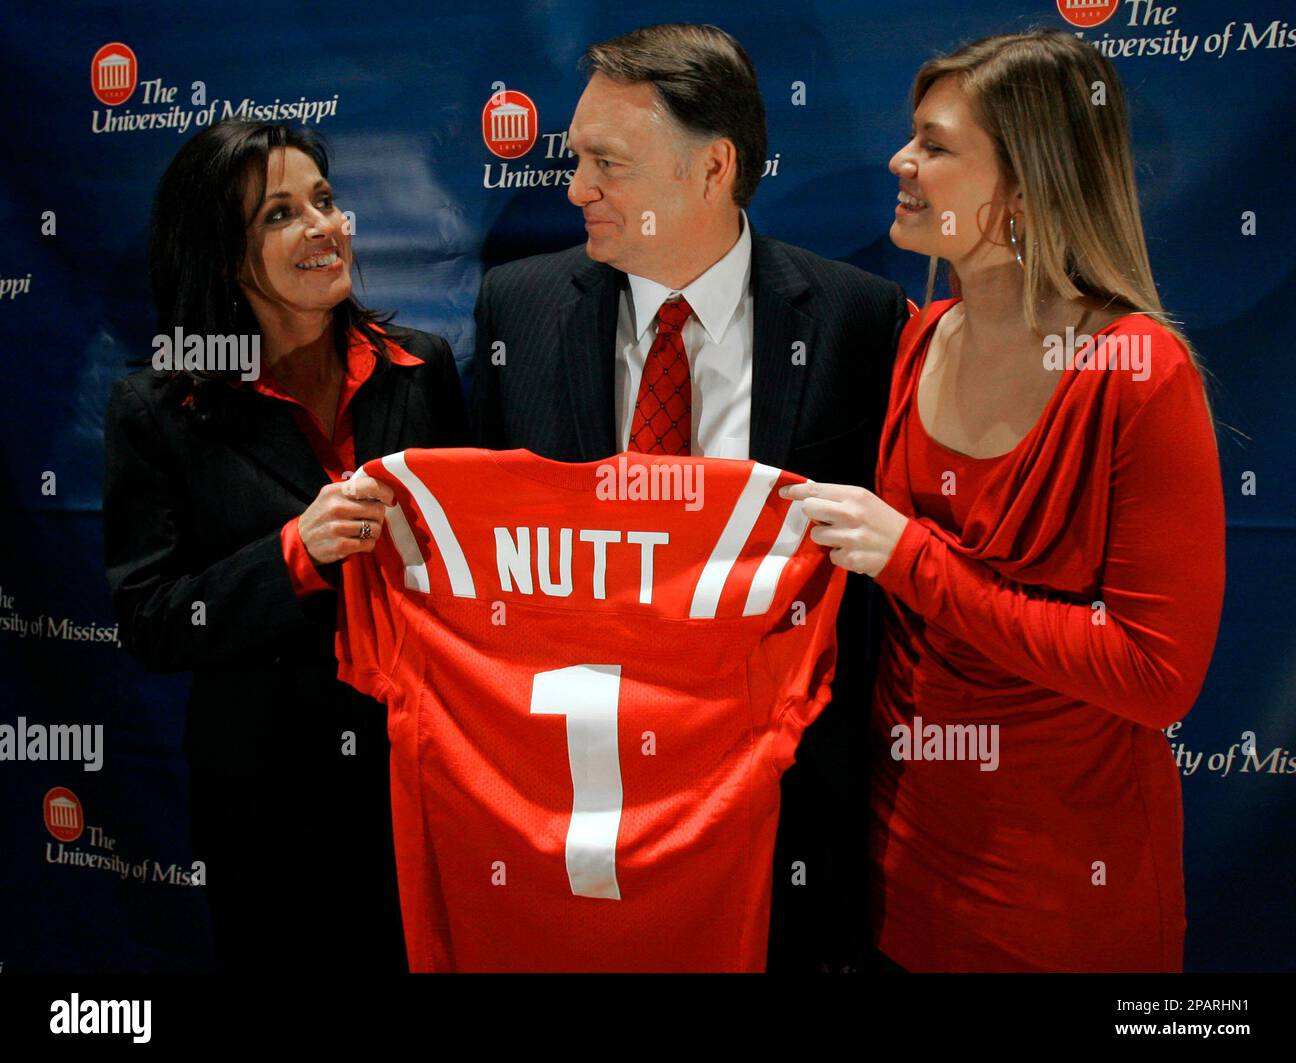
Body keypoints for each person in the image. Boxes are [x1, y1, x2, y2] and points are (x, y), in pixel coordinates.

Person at [781, 28, 1225, 971]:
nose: (901, 161)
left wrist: (912, 559)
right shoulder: (920, 334)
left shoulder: (1136, 373)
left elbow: (1156, 675)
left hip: (1062, 888)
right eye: (913, 137)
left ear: (1025, 187)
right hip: (900, 856)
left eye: (936, 146)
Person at [471, 22, 907, 972]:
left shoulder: (858, 321)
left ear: (712, 170)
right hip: (575, 806)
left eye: (606, 164)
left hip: (778, 807)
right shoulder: (519, 308)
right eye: (575, 157)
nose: (576, 187)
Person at [103, 119, 470, 971]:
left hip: (425, 777)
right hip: (269, 800)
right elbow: (152, 619)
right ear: (225, 256)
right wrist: (295, 553)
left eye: (326, 201)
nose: (323, 226)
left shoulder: (425, 366)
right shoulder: (160, 409)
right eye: (279, 214)